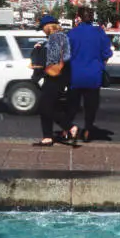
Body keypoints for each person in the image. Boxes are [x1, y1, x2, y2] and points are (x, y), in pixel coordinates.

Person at [67, 7, 113, 142]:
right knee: (91, 106)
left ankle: (68, 128)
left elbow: (66, 54)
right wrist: (100, 65)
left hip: (75, 75)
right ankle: (87, 129)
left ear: (79, 17)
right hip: (94, 75)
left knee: (72, 105)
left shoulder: (72, 33)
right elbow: (106, 53)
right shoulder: (99, 33)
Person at [33, 14, 73, 147]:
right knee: (48, 106)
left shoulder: (56, 37)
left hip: (55, 76)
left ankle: (69, 127)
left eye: (43, 28)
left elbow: (57, 59)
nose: (42, 31)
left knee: (44, 106)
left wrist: (40, 54)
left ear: (49, 26)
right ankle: (47, 137)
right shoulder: (58, 36)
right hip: (58, 75)